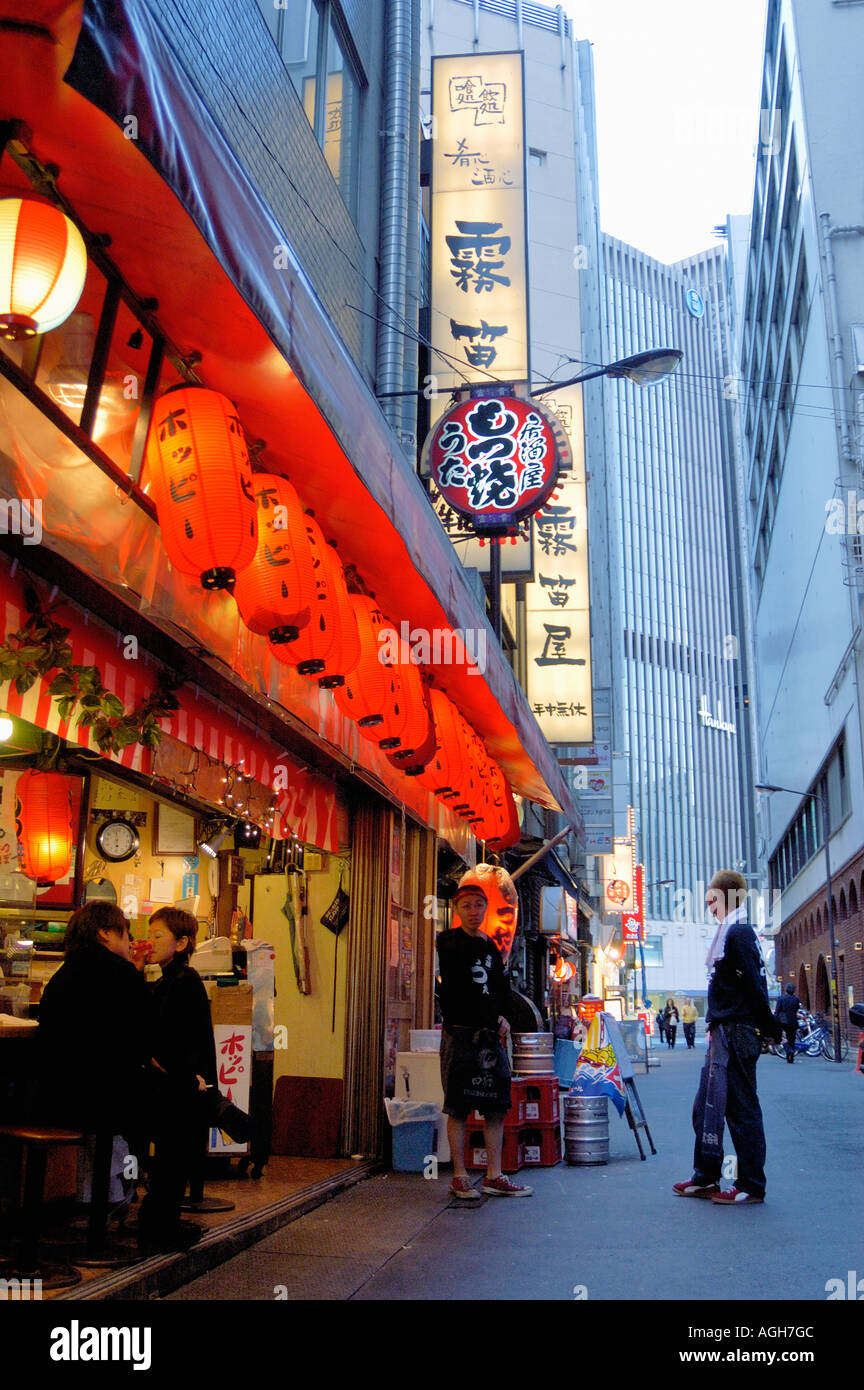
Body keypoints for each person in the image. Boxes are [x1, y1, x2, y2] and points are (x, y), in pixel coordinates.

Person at [36, 902, 151, 1220]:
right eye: (125, 933)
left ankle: (98, 1200)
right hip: (107, 1102)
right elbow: (141, 1042)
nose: (130, 942)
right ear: (104, 933)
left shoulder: (61, 976)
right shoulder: (121, 974)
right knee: (173, 1104)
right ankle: (131, 1199)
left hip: (53, 1100)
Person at [673, 870, 782, 1205]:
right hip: (726, 1031)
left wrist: (771, 1028)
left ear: (728, 898)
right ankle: (706, 1176)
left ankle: (750, 1184)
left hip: (736, 1032)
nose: (709, 907)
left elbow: (753, 984)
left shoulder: (738, 933)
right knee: (706, 1106)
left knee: (740, 1109)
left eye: (712, 900)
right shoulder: (729, 933)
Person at [436, 880, 531, 1198]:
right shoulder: (447, 942)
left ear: (486, 908)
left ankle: (494, 1174)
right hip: (460, 1034)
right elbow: (457, 988)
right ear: (457, 911)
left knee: (495, 1106)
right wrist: (489, 1018)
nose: (474, 911)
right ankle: (460, 1175)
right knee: (458, 1107)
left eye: (479, 905)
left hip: (490, 1037)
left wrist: (504, 1017)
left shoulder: (490, 945)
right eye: (466, 906)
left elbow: (501, 989)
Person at [136, 907, 218, 1254]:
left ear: (182, 942)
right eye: (148, 934)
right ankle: (160, 1229)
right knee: (173, 1161)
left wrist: (189, 1079)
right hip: (180, 1086)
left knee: (173, 1161)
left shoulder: (184, 982)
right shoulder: (168, 981)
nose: (149, 942)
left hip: (182, 1086)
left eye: (158, 936)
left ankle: (159, 1228)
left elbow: (175, 1041)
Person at [774, 984, 801, 1063]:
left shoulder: (781, 998)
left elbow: (777, 1011)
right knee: (792, 1038)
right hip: (793, 1021)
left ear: (786, 990)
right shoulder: (796, 999)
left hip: (783, 1021)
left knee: (782, 1038)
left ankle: (788, 1050)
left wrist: (776, 1020)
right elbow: (797, 1009)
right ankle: (790, 1058)